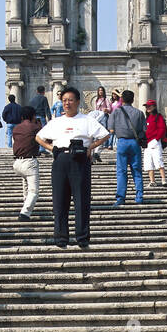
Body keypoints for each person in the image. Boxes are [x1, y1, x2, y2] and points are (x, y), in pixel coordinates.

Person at [36, 86, 109, 248]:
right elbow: (39, 137)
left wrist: (91, 147)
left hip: (80, 159)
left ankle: (82, 237)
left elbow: (105, 135)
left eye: (70, 100)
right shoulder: (56, 122)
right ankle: (61, 237)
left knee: (81, 200)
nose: (66, 103)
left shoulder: (87, 120)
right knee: (59, 200)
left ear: (77, 102)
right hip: (61, 158)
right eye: (64, 101)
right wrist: (51, 149)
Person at [110, 90, 146, 207]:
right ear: (133, 99)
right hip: (135, 143)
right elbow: (143, 130)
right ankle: (139, 196)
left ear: (122, 100)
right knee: (137, 171)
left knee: (121, 171)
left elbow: (111, 130)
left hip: (122, 142)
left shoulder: (116, 112)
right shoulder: (139, 113)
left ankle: (120, 198)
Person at [12, 104, 41, 219]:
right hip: (29, 161)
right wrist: (39, 124)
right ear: (32, 116)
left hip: (17, 163)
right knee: (33, 191)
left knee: (25, 186)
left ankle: (25, 204)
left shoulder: (16, 128)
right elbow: (44, 137)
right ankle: (25, 212)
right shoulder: (34, 127)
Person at [143, 99, 167, 189]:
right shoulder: (146, 118)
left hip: (155, 142)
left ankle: (163, 179)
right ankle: (152, 181)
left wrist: (156, 139)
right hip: (147, 143)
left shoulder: (158, 116)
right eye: (146, 106)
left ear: (154, 107)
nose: (147, 108)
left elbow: (162, 129)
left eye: (149, 106)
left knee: (158, 160)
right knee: (148, 162)